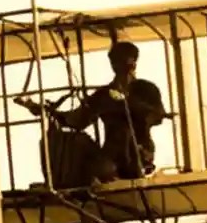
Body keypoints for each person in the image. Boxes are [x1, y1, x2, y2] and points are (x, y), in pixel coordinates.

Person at [18, 41, 166, 186]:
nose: (120, 66)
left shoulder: (147, 90)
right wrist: (46, 111)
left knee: (126, 152)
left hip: (141, 150)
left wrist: (132, 107)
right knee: (89, 158)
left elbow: (158, 116)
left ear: (134, 63)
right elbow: (77, 119)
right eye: (116, 62)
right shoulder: (104, 95)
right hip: (111, 154)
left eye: (125, 61)